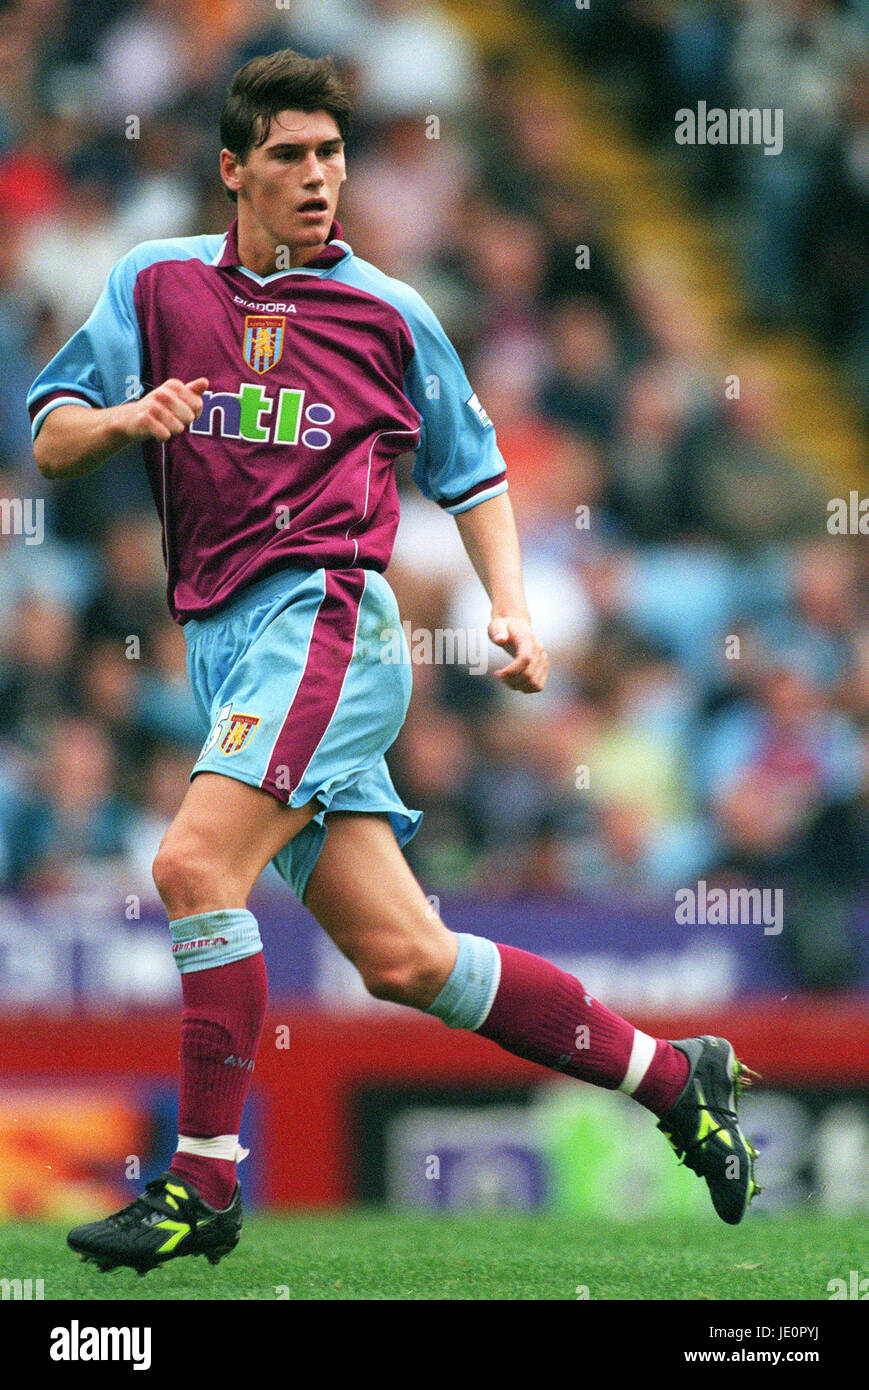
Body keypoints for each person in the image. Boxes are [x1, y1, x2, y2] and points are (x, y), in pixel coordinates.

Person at [28, 50, 758, 1275]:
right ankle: (675, 1078)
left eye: (331, 155)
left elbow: (471, 470)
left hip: (323, 621)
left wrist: (511, 606)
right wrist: (122, 420)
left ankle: (203, 1182)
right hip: (225, 646)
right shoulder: (153, 287)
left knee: (192, 864)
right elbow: (50, 438)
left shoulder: (388, 310)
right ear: (232, 170)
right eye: (288, 156)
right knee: (407, 959)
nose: (317, 178)